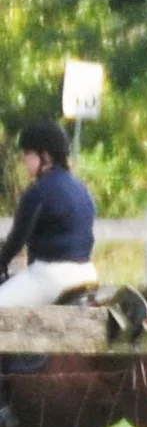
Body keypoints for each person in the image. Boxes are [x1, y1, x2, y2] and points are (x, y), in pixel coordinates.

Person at [0, 120, 98, 308]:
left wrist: (2, 260)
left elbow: (16, 241)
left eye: (28, 154)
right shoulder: (81, 188)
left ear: (45, 156)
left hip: (49, 276)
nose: (24, 160)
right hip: (87, 273)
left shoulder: (38, 191)